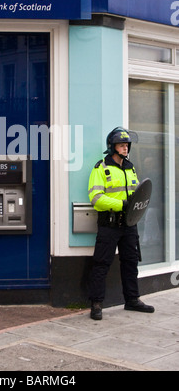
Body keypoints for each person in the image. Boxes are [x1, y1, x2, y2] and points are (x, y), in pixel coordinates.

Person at [88, 127, 155, 320]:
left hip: (129, 225)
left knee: (131, 263)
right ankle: (96, 304)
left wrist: (134, 208)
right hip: (109, 225)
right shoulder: (101, 168)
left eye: (127, 145)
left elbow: (138, 193)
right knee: (101, 264)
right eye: (121, 145)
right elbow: (96, 198)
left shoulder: (130, 167)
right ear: (112, 147)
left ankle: (132, 300)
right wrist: (122, 204)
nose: (125, 148)